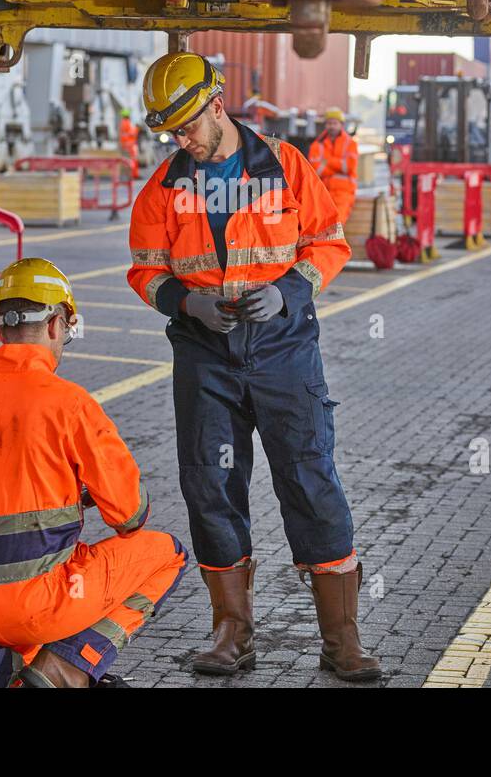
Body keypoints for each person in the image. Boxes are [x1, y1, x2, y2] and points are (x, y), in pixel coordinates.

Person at [127, 52, 380, 681]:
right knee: (210, 488)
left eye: (187, 127)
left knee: (309, 481)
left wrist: (289, 290)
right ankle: (232, 635)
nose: (182, 141)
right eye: (172, 133)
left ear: (217, 107)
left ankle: (340, 641)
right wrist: (186, 301)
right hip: (205, 355)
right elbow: (144, 267)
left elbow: (329, 240)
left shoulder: (286, 165)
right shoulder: (165, 186)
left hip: (283, 352)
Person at [0, 257, 187, 688]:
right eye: (68, 329)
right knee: (167, 552)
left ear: (0, 327)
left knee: (29, 598)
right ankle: (65, 667)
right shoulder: (69, 403)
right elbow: (129, 516)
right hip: (35, 604)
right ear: (56, 323)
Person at [307, 107, 359, 224]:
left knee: (337, 226)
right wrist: (338, 166)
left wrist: (327, 161)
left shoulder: (351, 144)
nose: (332, 126)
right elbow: (315, 171)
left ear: (341, 125)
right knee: (320, 226)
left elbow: (349, 167)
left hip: (343, 192)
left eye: (335, 123)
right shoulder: (316, 145)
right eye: (329, 123)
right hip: (322, 192)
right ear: (326, 125)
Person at [118, 108, 141, 177]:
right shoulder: (128, 123)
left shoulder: (122, 123)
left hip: (125, 145)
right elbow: (132, 133)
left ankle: (129, 175)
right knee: (134, 160)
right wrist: (137, 129)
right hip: (131, 145)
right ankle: (134, 175)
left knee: (127, 161)